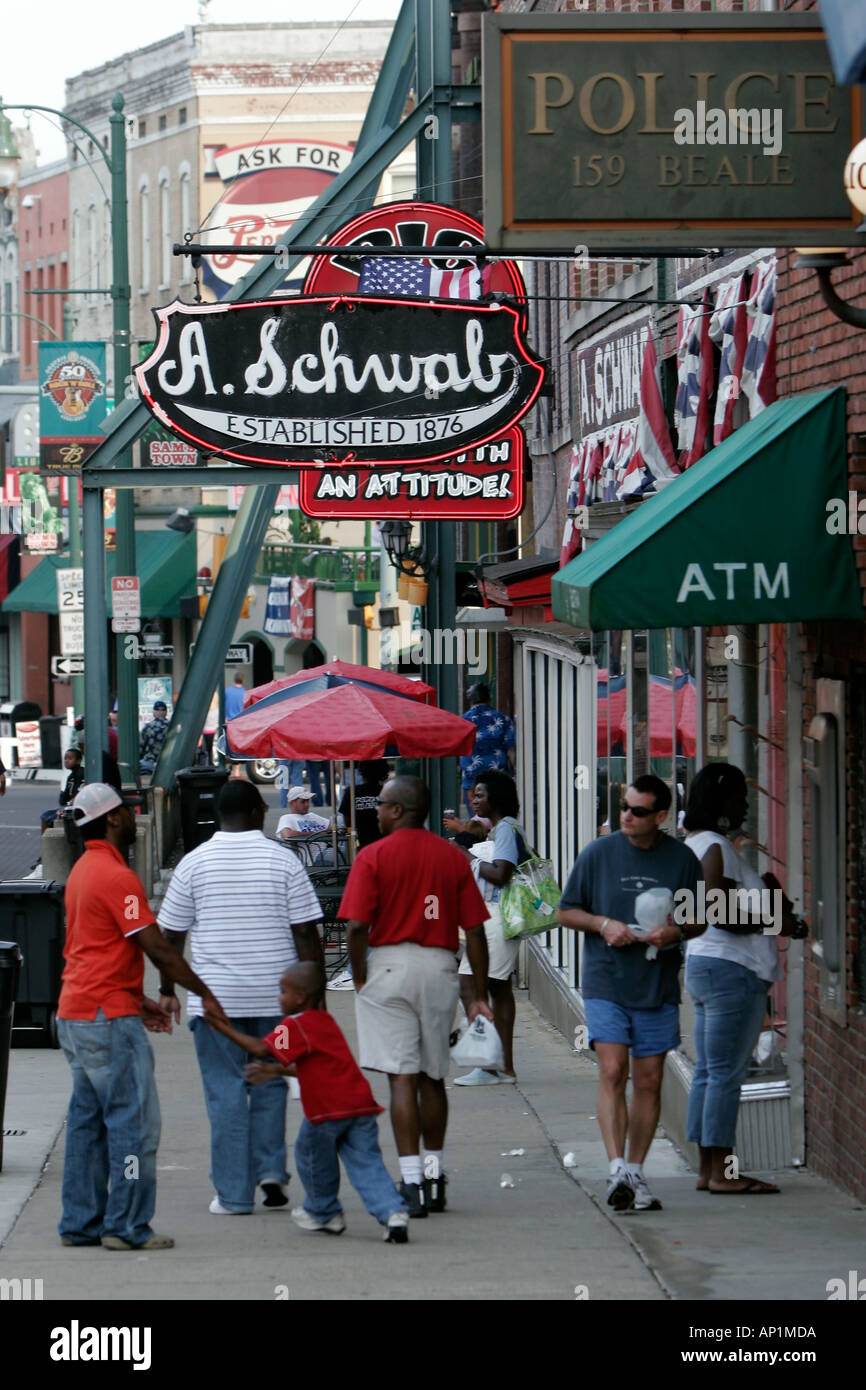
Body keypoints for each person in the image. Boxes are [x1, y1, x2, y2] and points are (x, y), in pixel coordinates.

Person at [57, 783, 225, 1251]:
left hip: (78, 1012)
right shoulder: (116, 877)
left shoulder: (82, 871)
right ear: (112, 819)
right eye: (127, 812)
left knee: (87, 1123)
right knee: (134, 1124)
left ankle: (80, 1222)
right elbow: (158, 949)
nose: (133, 818)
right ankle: (127, 1225)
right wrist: (205, 993)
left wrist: (140, 1000)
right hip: (106, 1018)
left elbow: (97, 950)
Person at [157, 780, 324, 1215]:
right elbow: (306, 932)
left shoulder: (193, 864)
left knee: (226, 1093)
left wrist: (166, 990)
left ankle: (233, 1195)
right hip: (278, 1003)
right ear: (256, 813)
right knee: (270, 1082)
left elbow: (170, 937)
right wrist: (314, 1002)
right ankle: (270, 1172)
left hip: (216, 1007)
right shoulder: (283, 861)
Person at [339, 775, 493, 1218]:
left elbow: (354, 927)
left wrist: (361, 977)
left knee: (400, 1077)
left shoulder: (372, 857)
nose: (375, 809)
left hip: (387, 967)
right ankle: (433, 1175)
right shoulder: (451, 857)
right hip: (440, 967)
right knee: (432, 1076)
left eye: (382, 804)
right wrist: (478, 995)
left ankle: (408, 1183)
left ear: (398, 810)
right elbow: (476, 931)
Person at [556, 774, 704, 1214]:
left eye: (638, 811)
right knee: (612, 1069)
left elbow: (701, 920)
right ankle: (616, 1167)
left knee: (650, 1079)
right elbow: (565, 911)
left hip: (656, 983)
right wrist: (604, 925)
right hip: (606, 979)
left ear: (661, 817)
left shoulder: (682, 860)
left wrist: (674, 931)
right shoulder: (598, 854)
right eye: (623, 806)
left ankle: (636, 1173)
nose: (626, 816)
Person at [203, 962, 410, 1243]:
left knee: (310, 1155)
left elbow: (261, 1048)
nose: (279, 997)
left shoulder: (294, 1025)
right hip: (360, 1105)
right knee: (366, 1162)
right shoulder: (325, 1020)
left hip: (327, 1111)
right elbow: (318, 1065)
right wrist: (276, 1070)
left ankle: (323, 1212)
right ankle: (393, 1213)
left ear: (300, 996)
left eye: (283, 991)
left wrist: (221, 1026)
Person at [682, 764, 804, 1196]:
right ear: (721, 800)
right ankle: (723, 1173)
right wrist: (777, 919)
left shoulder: (693, 844)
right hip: (729, 970)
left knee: (709, 1072)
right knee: (725, 1075)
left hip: (705, 966)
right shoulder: (715, 846)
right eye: (739, 796)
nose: (746, 804)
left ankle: (706, 1169)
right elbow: (720, 914)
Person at [454, 771, 526, 1085]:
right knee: (498, 989)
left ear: (495, 797)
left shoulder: (506, 829)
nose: (474, 800)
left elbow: (501, 874)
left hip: (495, 917)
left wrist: (467, 858)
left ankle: (488, 1066)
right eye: (473, 794)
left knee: (471, 984)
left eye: (480, 795)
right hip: (502, 918)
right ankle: (502, 1066)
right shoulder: (502, 828)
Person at [328, 760, 389, 993]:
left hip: (363, 856)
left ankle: (357, 970)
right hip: (387, 855)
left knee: (362, 914)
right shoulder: (387, 792)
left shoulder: (352, 792)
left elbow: (347, 823)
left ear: (361, 773)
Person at [459, 683, 515, 816]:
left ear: (470, 700)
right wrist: (515, 771)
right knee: (499, 818)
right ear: (489, 698)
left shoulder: (462, 721)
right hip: (498, 778)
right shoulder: (503, 719)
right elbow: (511, 751)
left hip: (472, 780)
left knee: (477, 823)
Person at [277, 786, 341, 865]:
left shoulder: (313, 816)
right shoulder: (287, 818)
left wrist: (334, 828)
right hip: (313, 861)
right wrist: (314, 833)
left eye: (308, 801)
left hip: (328, 851)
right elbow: (287, 834)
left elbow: (334, 826)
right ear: (292, 803)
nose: (307, 804)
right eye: (303, 801)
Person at [41, 746, 85, 831]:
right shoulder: (71, 777)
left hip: (75, 808)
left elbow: (78, 795)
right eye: (65, 758)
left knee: (46, 817)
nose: (66, 761)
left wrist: (65, 808)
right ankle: (47, 840)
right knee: (45, 816)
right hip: (69, 806)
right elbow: (64, 799)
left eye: (70, 758)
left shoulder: (81, 774)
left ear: (78, 761)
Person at [139, 701, 169, 774]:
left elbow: (140, 747)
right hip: (168, 763)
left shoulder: (148, 727)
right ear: (166, 712)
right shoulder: (172, 726)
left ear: (154, 712)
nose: (160, 712)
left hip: (150, 763)